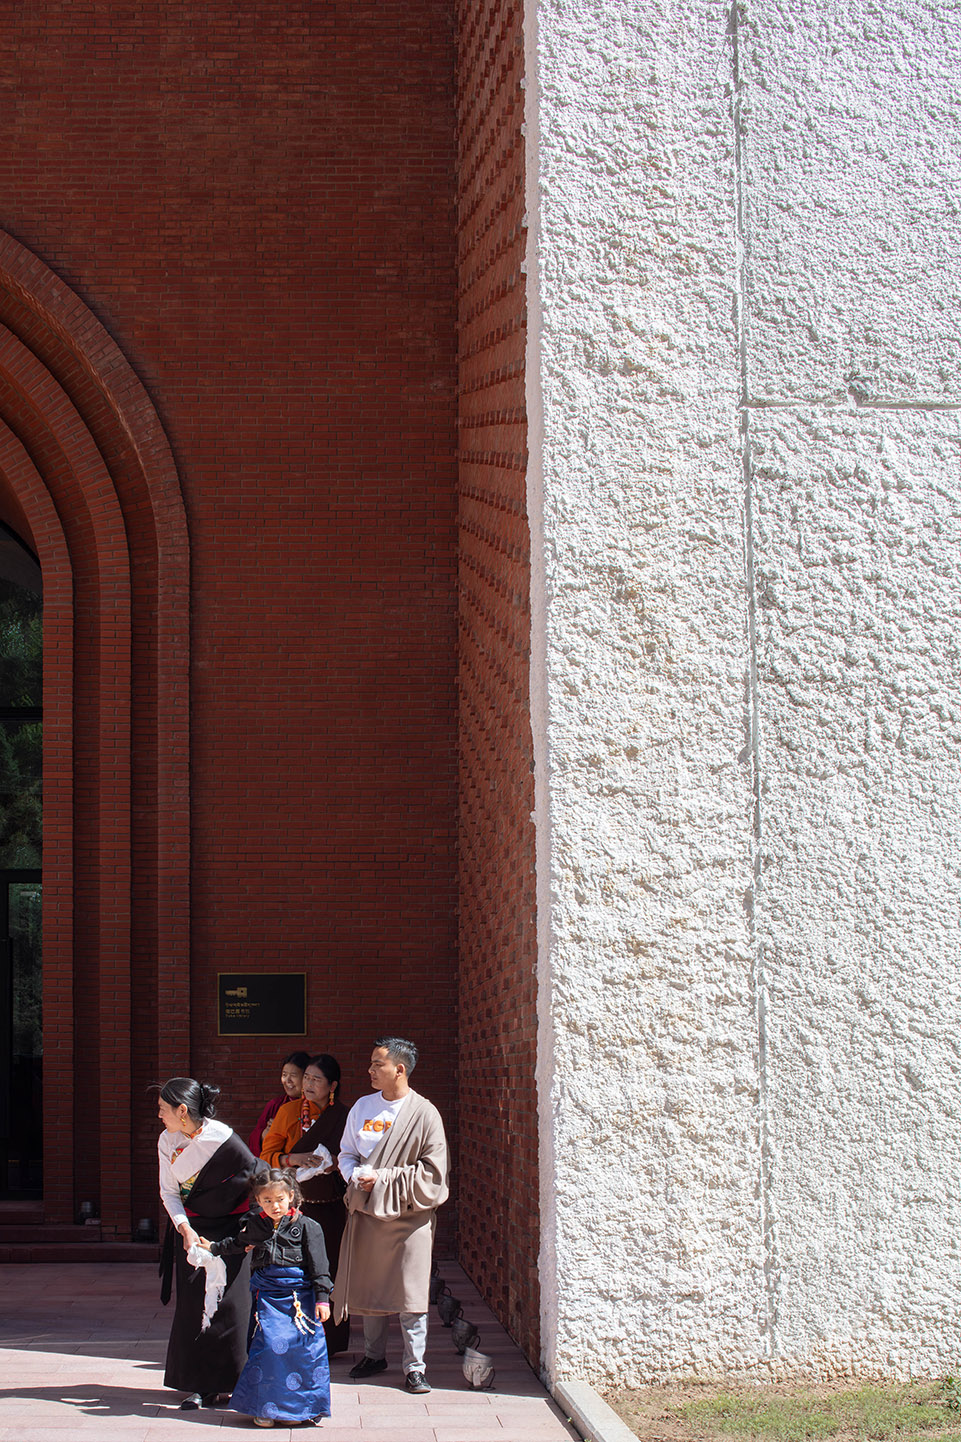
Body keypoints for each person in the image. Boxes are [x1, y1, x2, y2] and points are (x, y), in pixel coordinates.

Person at [331, 1037, 448, 1394]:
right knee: (371, 1286)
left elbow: (433, 1172)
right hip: (367, 1209)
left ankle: (415, 1367)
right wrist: (354, 1176)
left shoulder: (425, 1113)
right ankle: (373, 1355)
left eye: (376, 1064)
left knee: (411, 1291)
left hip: (410, 1215)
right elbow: (346, 1154)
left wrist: (382, 1178)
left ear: (399, 1069)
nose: (369, 1070)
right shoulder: (363, 1107)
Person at [202, 1168, 332, 1428]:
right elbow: (237, 1243)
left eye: (280, 1199)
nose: (275, 1206)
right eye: (267, 1200)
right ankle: (266, 1408)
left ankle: (297, 1410)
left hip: (299, 1299)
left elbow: (320, 1267)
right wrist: (214, 1247)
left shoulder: (309, 1227)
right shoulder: (256, 1224)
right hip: (267, 1296)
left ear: (291, 1196)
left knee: (301, 1351)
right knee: (269, 1347)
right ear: (259, 1201)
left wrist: (322, 1299)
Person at [157, 1077, 258, 1408]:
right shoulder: (166, 1140)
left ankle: (235, 1384)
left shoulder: (222, 1138)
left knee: (231, 1307)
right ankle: (201, 1385)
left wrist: (251, 1232)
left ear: (182, 1111)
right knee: (194, 1307)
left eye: (163, 1108)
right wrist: (184, 1229)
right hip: (192, 1230)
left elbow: (257, 1177)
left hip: (231, 1232)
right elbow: (169, 1192)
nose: (159, 1115)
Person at [273, 1053, 351, 1356]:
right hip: (295, 1206)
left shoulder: (344, 1115)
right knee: (295, 1270)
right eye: (306, 1077)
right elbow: (267, 1155)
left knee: (330, 1269)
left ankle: (330, 1342)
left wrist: (336, 1163)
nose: (308, 1084)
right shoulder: (288, 1111)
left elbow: (357, 1156)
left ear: (332, 1086)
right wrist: (293, 1158)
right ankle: (292, 1337)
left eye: (316, 1079)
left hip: (331, 1205)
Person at [247, 1051, 311, 1155]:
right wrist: (265, 1134)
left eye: (293, 1075)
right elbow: (254, 1138)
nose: (287, 1080)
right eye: (284, 1075)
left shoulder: (315, 1105)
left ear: (306, 1078)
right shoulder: (275, 1105)